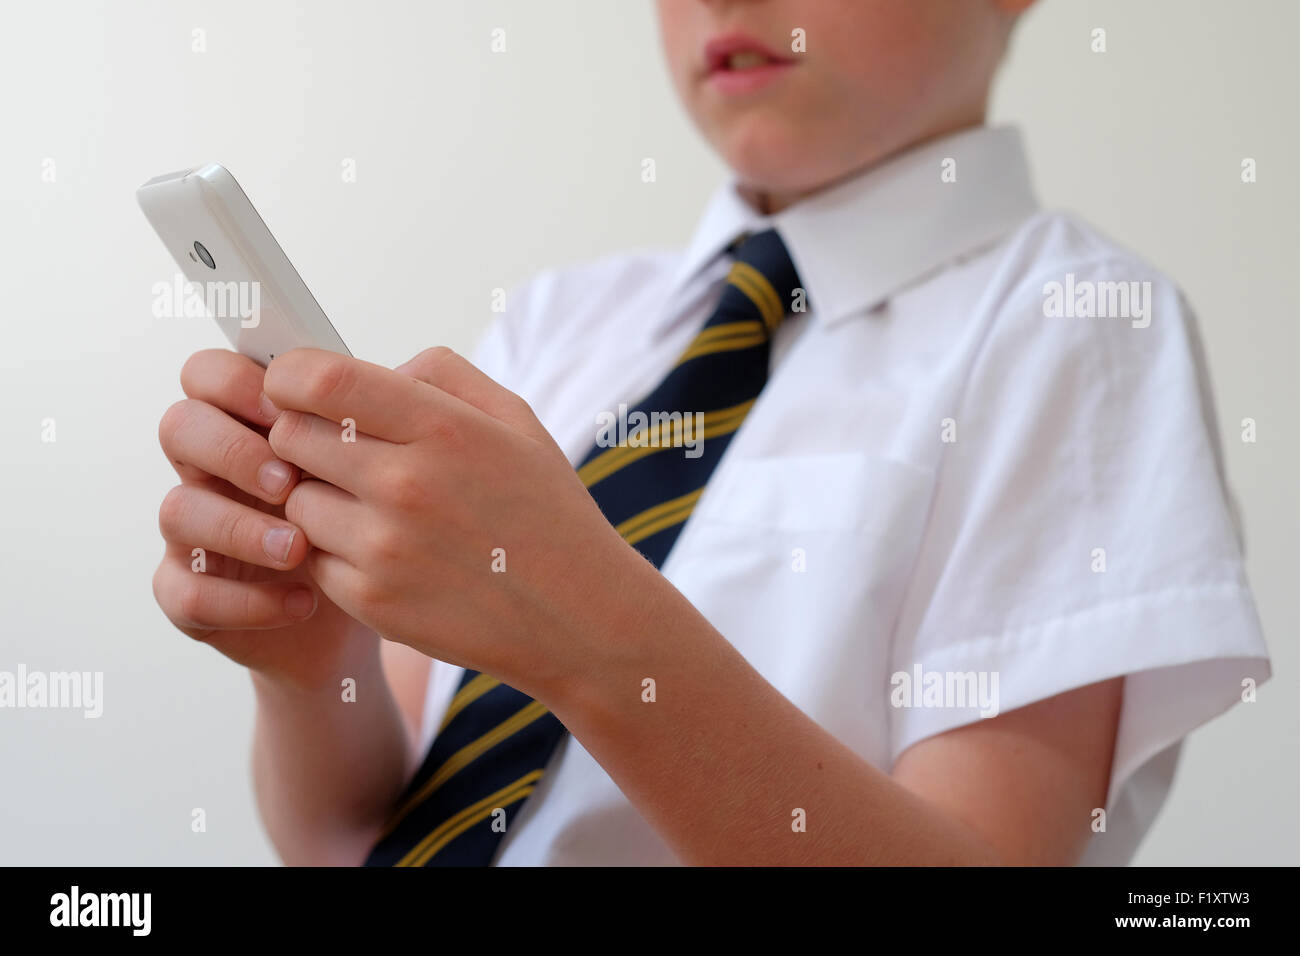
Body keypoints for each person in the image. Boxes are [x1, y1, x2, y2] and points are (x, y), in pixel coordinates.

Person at [151, 0, 1270, 865]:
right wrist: (310, 671)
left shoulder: (1073, 327)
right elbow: (354, 835)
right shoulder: (556, 324)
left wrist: (587, 626)